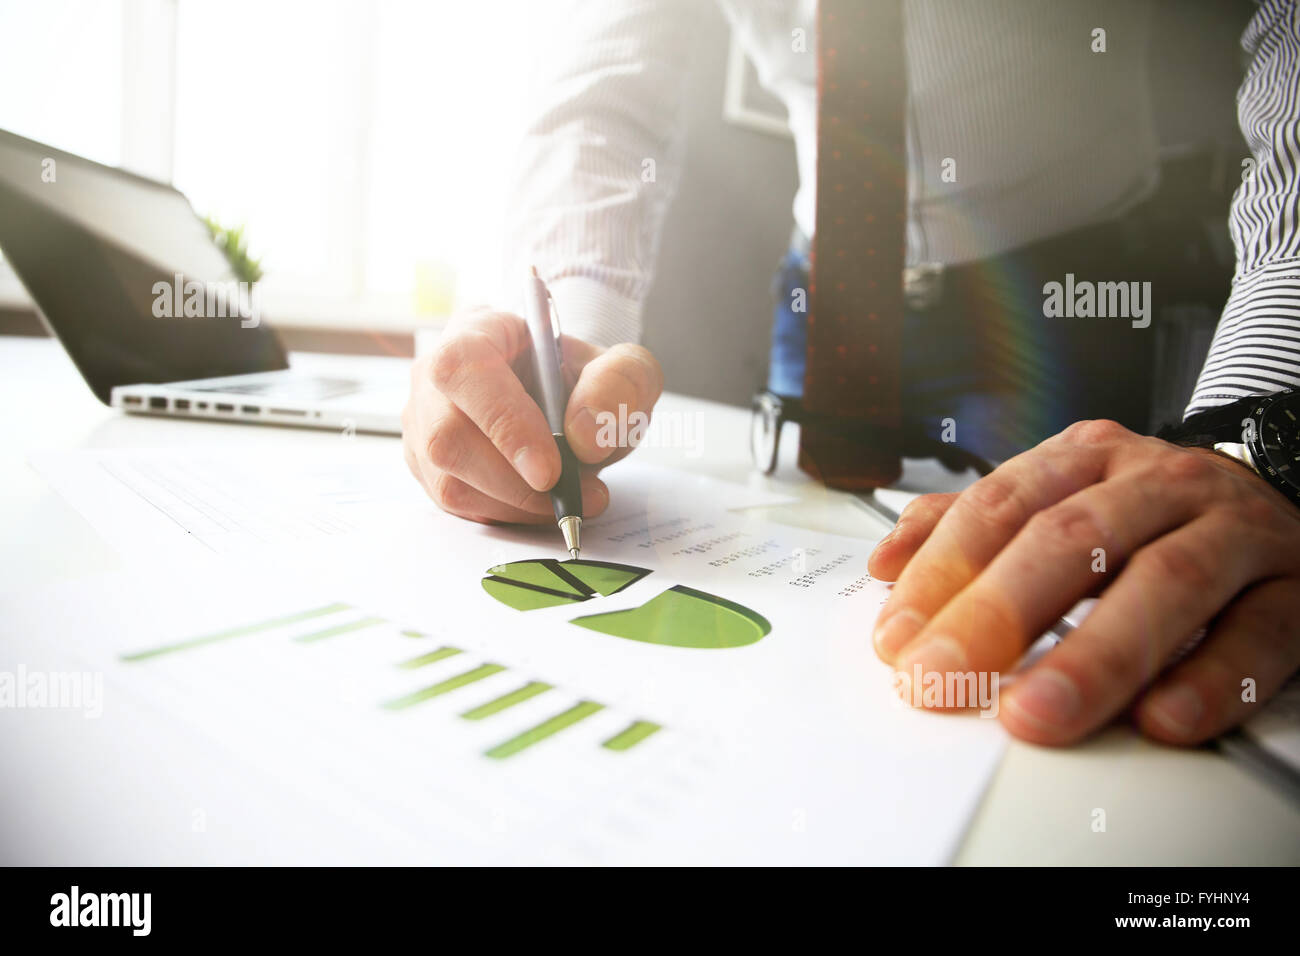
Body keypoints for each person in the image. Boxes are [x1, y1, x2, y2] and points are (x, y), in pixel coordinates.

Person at [402, 0, 1300, 747]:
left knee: (1091, 603)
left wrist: (1265, 427)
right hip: (825, 294)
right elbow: (608, 92)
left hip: (1057, 292)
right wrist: (563, 341)